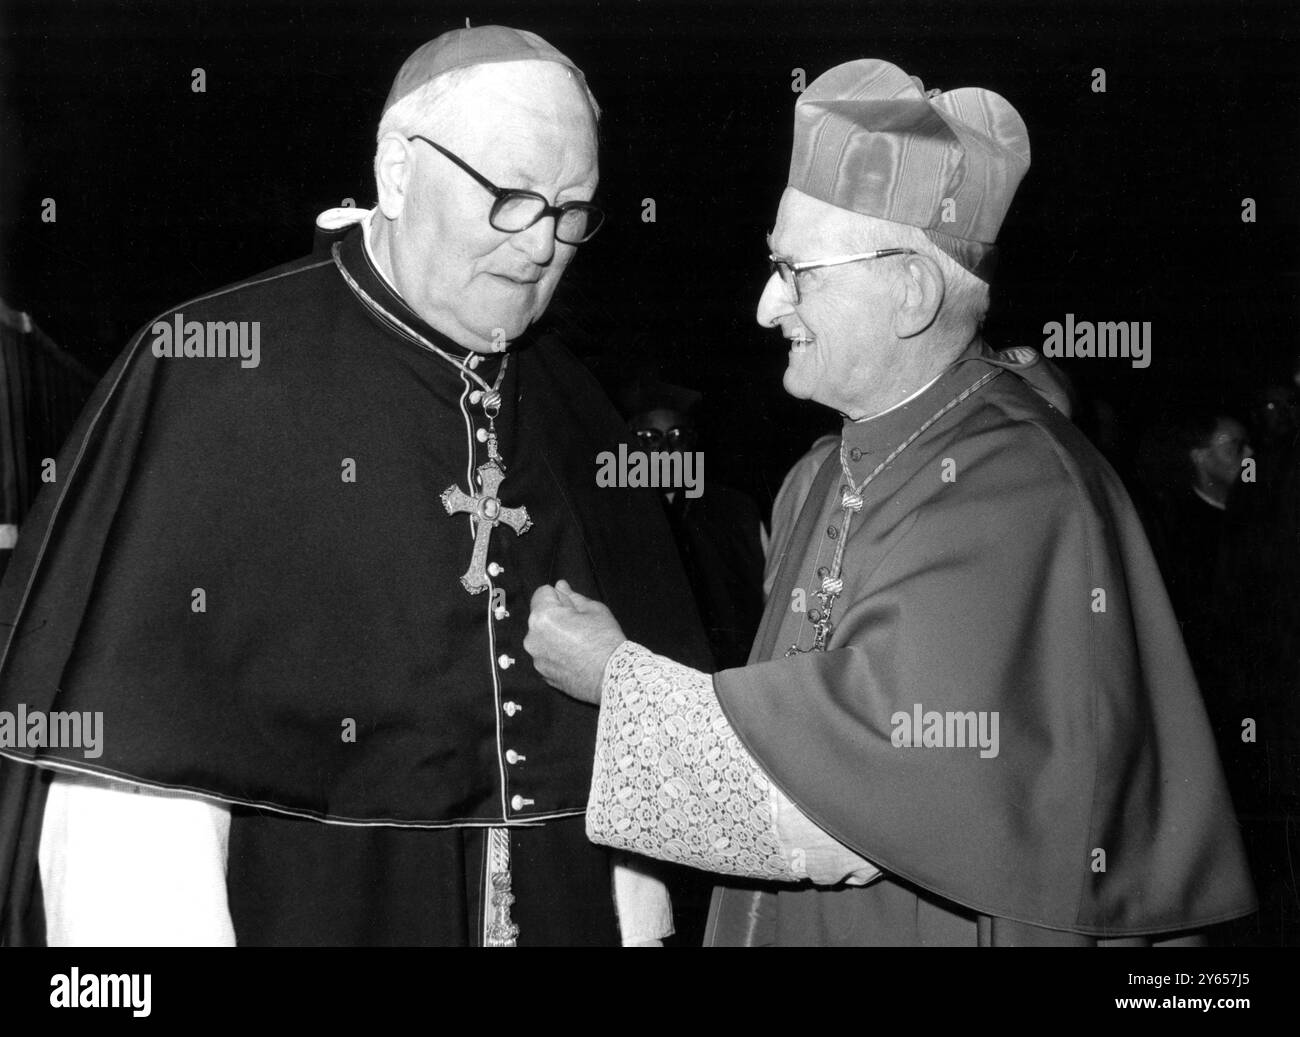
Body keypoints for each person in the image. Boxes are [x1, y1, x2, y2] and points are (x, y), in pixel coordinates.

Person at [0, 25, 709, 947]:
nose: (541, 245)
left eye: (573, 211)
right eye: (508, 197)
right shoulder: (214, 374)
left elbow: (631, 806)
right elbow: (132, 804)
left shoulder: (578, 408)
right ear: (398, 170)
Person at [525, 58, 1256, 945]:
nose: (766, 306)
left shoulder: (1018, 489)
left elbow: (850, 805)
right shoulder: (820, 476)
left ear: (910, 291)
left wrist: (617, 679)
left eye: (798, 272)